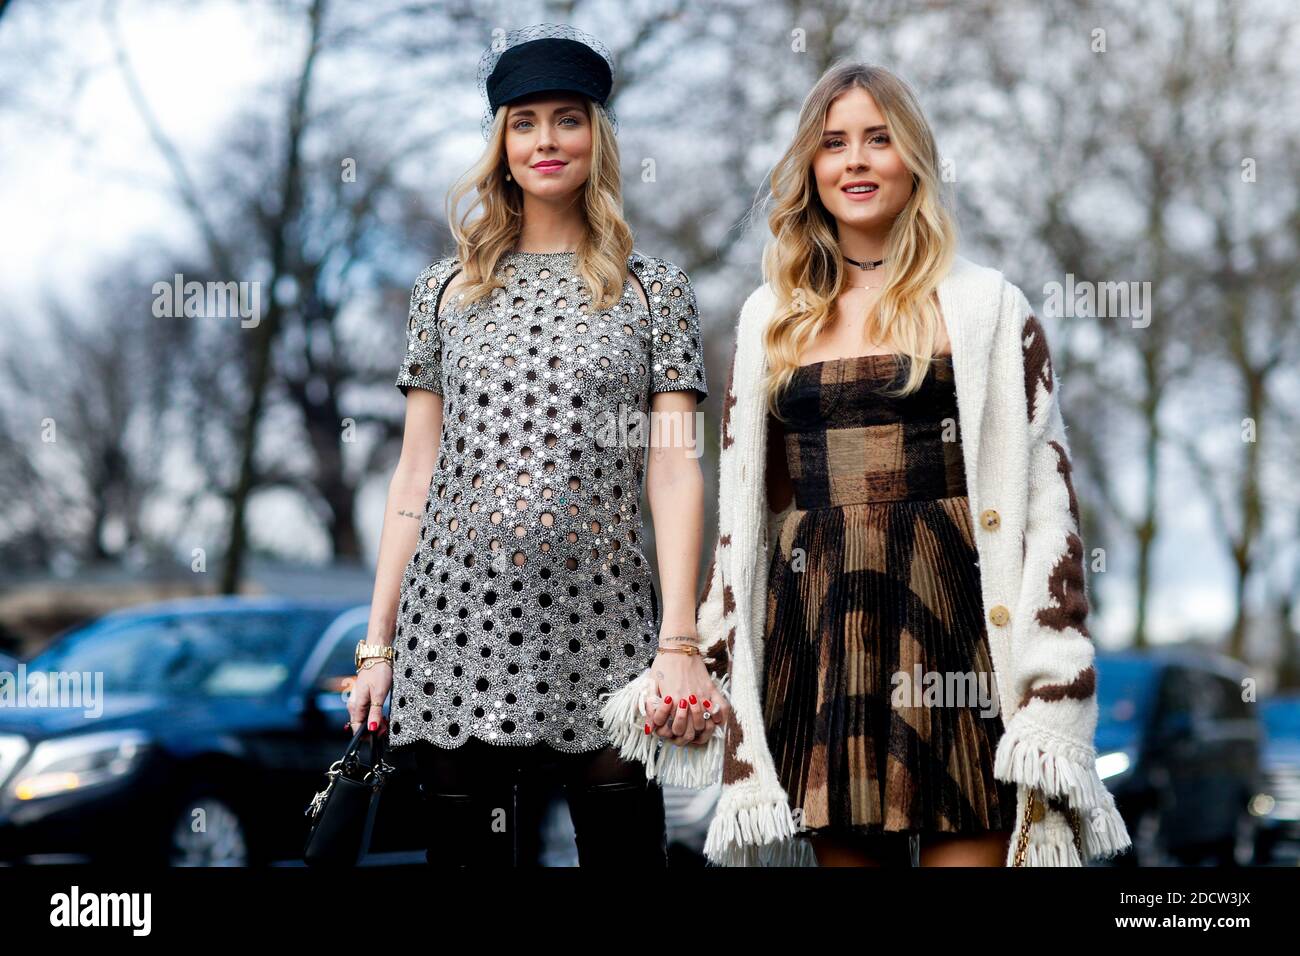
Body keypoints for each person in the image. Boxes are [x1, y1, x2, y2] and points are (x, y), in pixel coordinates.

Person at [605, 62, 1131, 868]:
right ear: (811, 168)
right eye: (834, 143)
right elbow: (748, 519)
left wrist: (1053, 678)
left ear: (913, 158)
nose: (855, 160)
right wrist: (705, 651)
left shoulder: (989, 306)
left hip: (959, 632)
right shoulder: (771, 318)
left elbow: (1047, 506)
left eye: (878, 140)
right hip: (825, 629)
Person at [347, 24, 726, 867]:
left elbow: (673, 467)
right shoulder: (444, 290)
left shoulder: (653, 290)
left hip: (608, 625)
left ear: (598, 136)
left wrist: (679, 641)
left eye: (567, 119)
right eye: (524, 123)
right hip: (455, 626)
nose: (546, 141)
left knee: (627, 857)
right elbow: (415, 472)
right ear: (502, 143)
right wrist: (379, 645)